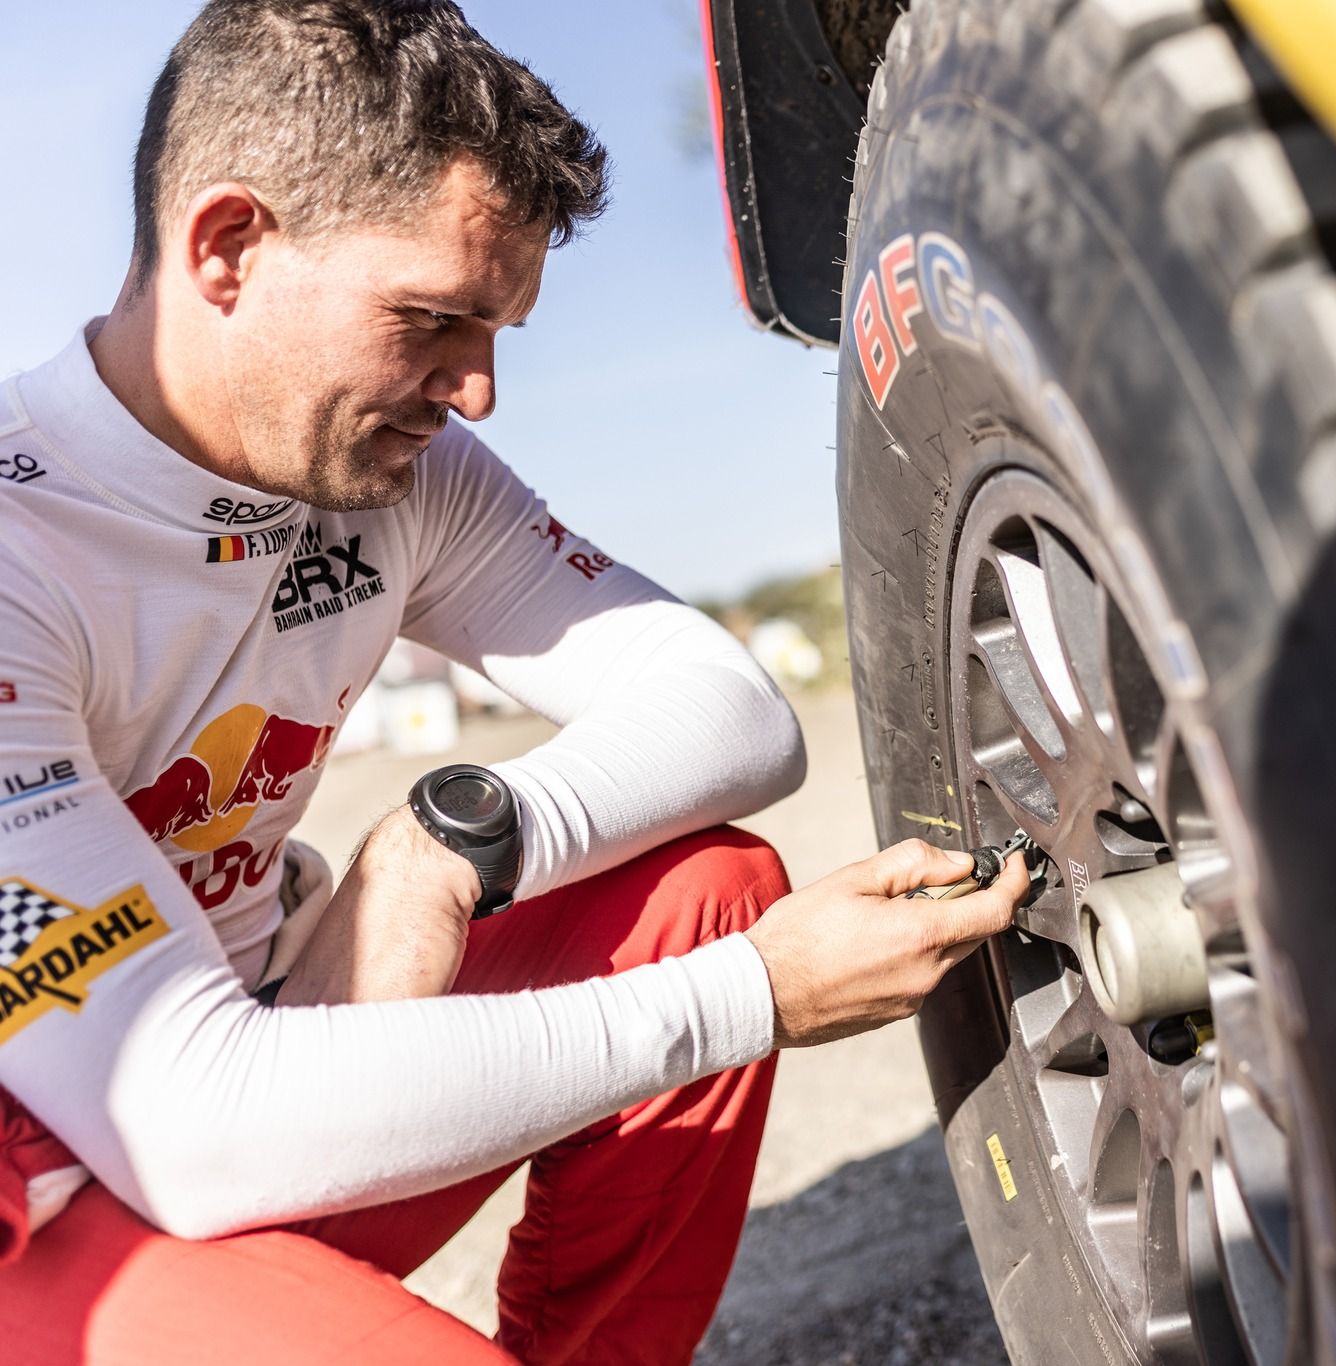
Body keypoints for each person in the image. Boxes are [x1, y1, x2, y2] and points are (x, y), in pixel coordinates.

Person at [0, 1, 1029, 1361]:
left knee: (705, 890)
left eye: (499, 330)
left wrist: (449, 839)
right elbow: (192, 1128)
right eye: (432, 318)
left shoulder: (394, 472)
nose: (477, 393)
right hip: (68, 1173)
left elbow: (732, 707)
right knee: (721, 960)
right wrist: (751, 998)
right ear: (229, 247)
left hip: (268, 1068)